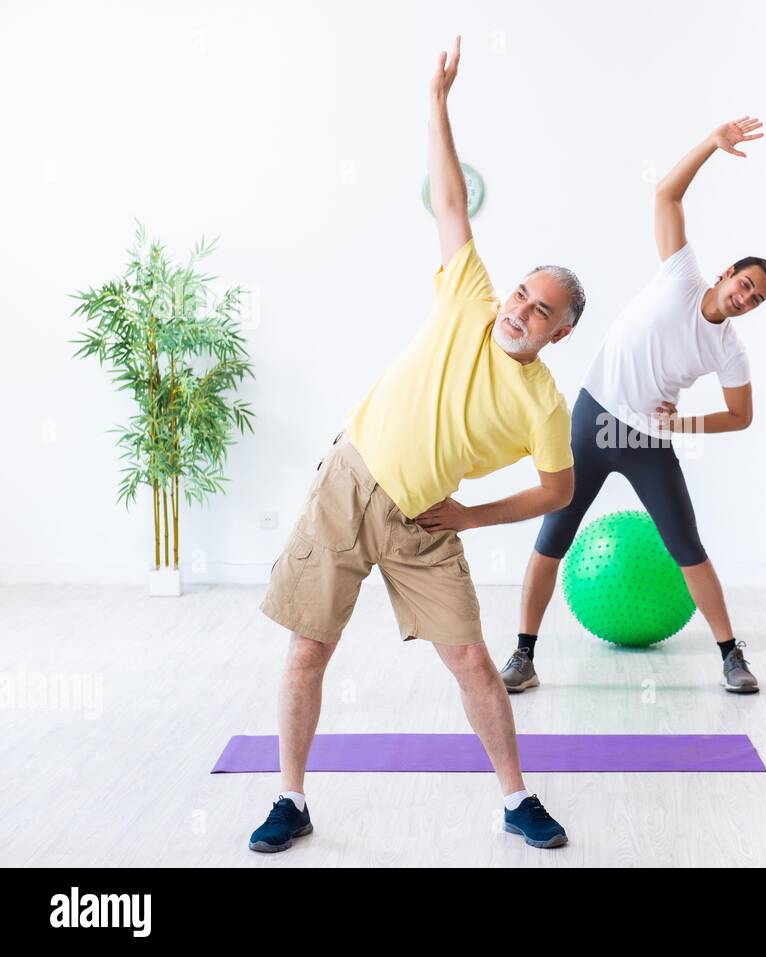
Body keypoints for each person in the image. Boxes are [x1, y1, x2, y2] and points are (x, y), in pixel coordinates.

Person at [250, 37, 582, 852]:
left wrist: (468, 516)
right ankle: (290, 798)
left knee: (470, 657)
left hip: (425, 524)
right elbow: (448, 204)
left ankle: (517, 799)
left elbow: (558, 493)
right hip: (348, 480)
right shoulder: (469, 295)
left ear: (560, 332)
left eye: (541, 311)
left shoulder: (544, 402)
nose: (520, 310)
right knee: (308, 648)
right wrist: (437, 103)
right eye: (522, 293)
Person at [500, 116, 766, 695]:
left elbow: (742, 415)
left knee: (686, 546)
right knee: (554, 534)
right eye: (744, 284)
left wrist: (689, 421)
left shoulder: (731, 350)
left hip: (649, 440)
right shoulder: (680, 275)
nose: (744, 298)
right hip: (594, 420)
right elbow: (666, 193)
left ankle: (731, 656)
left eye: (754, 299)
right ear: (727, 273)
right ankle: (523, 656)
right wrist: (711, 144)